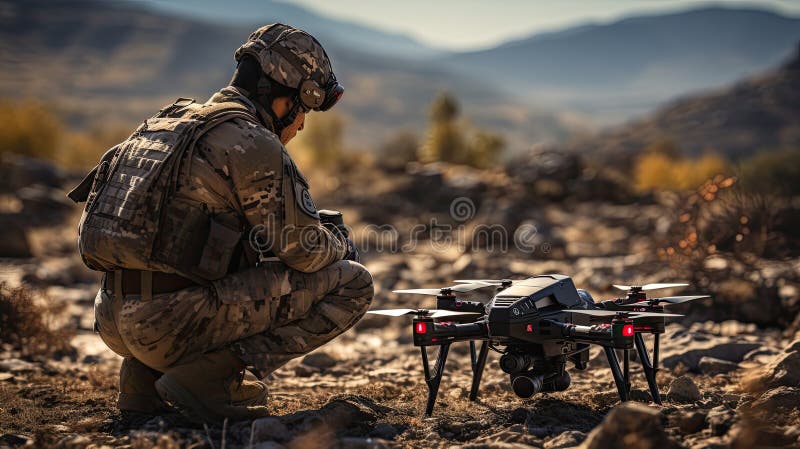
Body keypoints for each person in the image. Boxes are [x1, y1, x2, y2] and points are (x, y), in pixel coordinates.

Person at [68, 23, 374, 423]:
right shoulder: (251, 141)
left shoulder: (166, 121)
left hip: (111, 319)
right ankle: (208, 380)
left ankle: (141, 381)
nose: (300, 126)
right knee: (353, 282)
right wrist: (337, 242)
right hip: (169, 325)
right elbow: (305, 251)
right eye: (304, 113)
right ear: (287, 100)